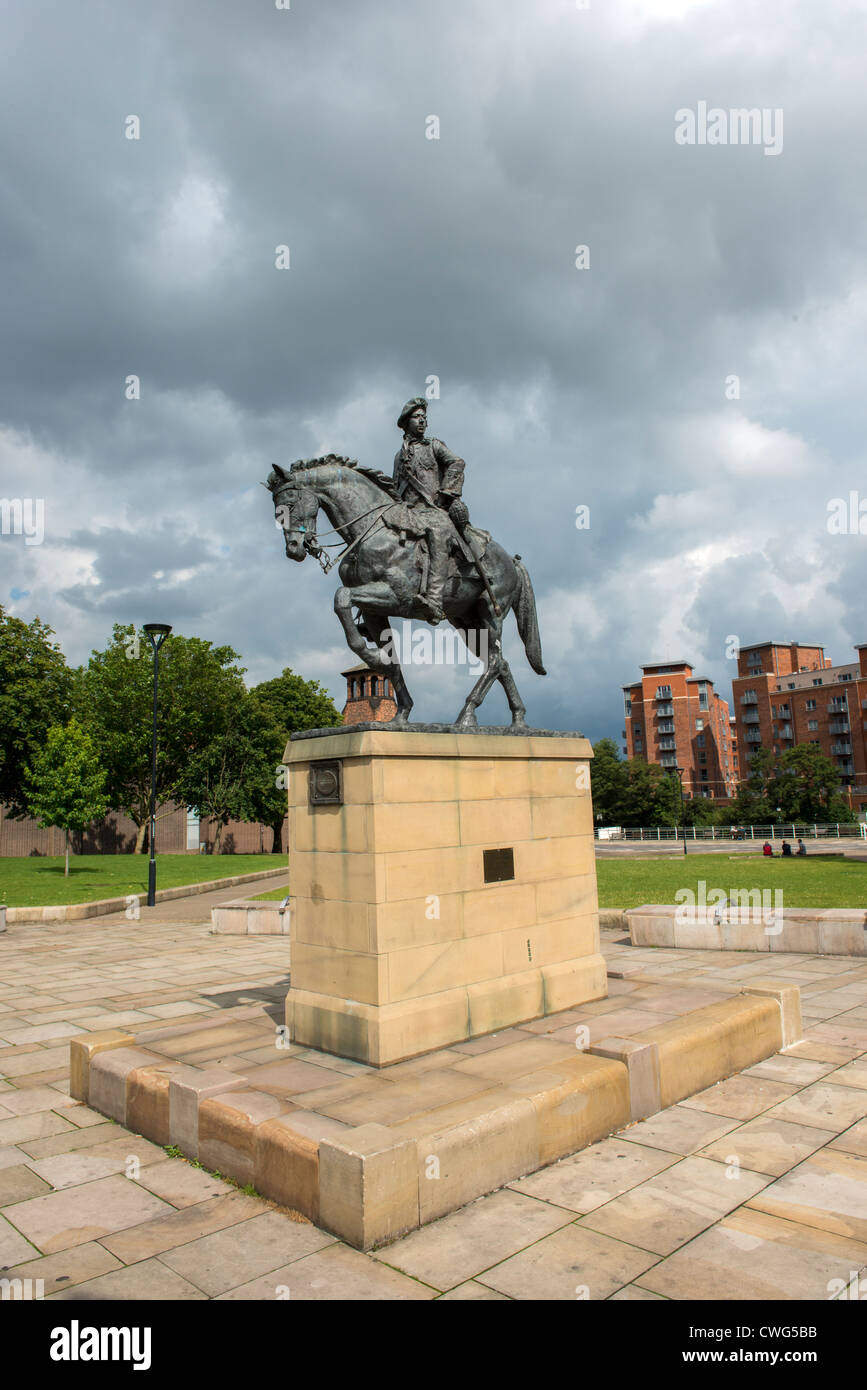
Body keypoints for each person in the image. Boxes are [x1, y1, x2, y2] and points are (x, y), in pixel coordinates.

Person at [392, 398, 468, 624]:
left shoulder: (434, 446)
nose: (423, 420)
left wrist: (446, 493)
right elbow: (396, 488)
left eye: (424, 417)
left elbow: (457, 463)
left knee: (437, 533)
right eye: (417, 417)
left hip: (432, 510)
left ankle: (434, 601)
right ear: (406, 423)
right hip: (408, 511)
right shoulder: (399, 456)